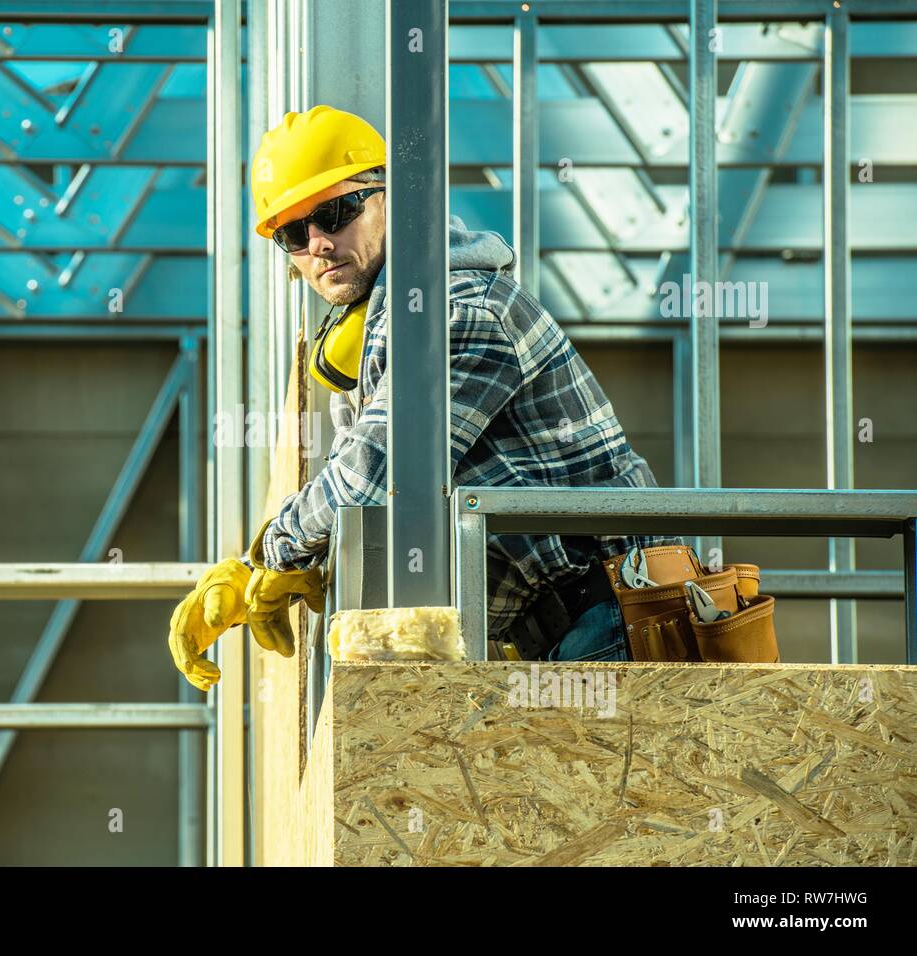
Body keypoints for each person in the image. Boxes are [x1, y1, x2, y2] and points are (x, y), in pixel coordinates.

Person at [168, 105, 682, 691]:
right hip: (567, 633)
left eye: (334, 213)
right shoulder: (380, 333)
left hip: (615, 619)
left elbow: (373, 475)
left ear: (390, 198)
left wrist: (265, 560)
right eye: (292, 233)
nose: (318, 244)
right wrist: (311, 558)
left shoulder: (456, 311)